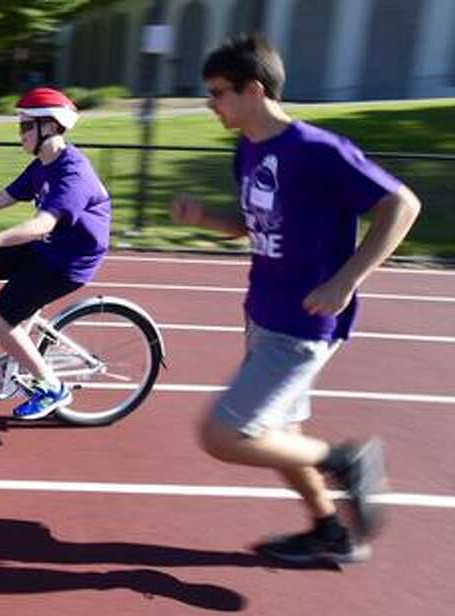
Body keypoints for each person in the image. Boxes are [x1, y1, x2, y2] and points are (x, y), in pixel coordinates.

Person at [169, 34, 421, 564]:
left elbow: (401, 205)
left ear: (253, 90)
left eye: (217, 93)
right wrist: (206, 219)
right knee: (279, 435)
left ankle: (346, 460)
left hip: (305, 324)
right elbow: (254, 225)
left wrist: (346, 280)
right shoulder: (249, 150)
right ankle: (329, 530)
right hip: (263, 312)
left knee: (223, 434)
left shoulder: (318, 151)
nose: (210, 104)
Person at [0, 87, 112, 420]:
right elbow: (4, 197)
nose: (20, 133)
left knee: (0, 318)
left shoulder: (73, 174)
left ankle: (51, 386)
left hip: (67, 263)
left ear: (51, 126)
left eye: (26, 125)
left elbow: (42, 224)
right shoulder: (43, 164)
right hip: (46, 248)